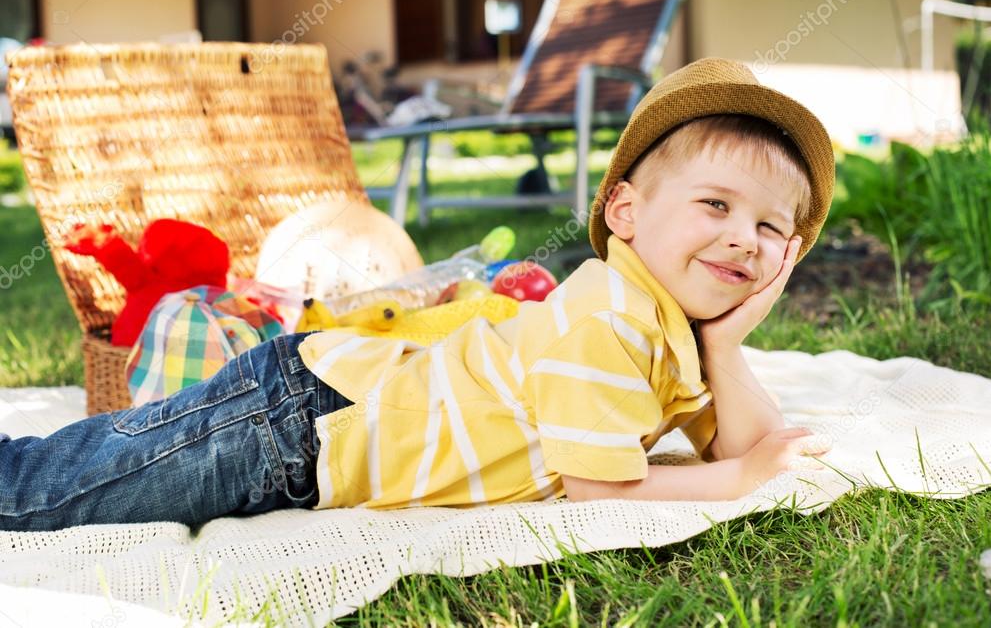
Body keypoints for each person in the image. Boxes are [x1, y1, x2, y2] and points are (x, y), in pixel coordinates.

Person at [0, 58, 834, 532]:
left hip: (317, 418)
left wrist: (725, 347)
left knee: (101, 457)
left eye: (770, 228)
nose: (741, 238)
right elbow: (605, 491)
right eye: (715, 205)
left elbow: (757, 448)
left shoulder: (680, 333)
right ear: (623, 210)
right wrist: (733, 482)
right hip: (300, 422)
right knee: (55, 492)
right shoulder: (612, 317)